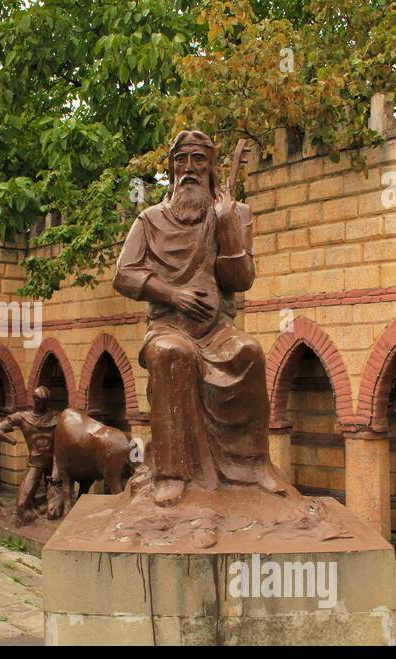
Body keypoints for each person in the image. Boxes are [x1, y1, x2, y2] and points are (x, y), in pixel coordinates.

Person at [114, 130, 298, 508]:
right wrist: (173, 295)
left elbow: (240, 281)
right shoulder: (149, 221)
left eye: (199, 160)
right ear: (171, 169)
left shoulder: (235, 213)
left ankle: (252, 465)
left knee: (249, 351)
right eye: (181, 160)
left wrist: (229, 227)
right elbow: (124, 274)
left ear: (211, 168)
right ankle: (170, 474)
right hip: (168, 327)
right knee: (170, 355)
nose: (190, 169)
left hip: (217, 331)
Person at [0, 387, 59, 525]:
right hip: (36, 463)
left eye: (46, 402)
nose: (43, 405)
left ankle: (43, 508)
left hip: (55, 464)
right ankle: (36, 510)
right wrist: (12, 440)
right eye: (41, 401)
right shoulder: (22, 417)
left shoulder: (57, 416)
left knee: (56, 505)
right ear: (35, 400)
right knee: (22, 504)